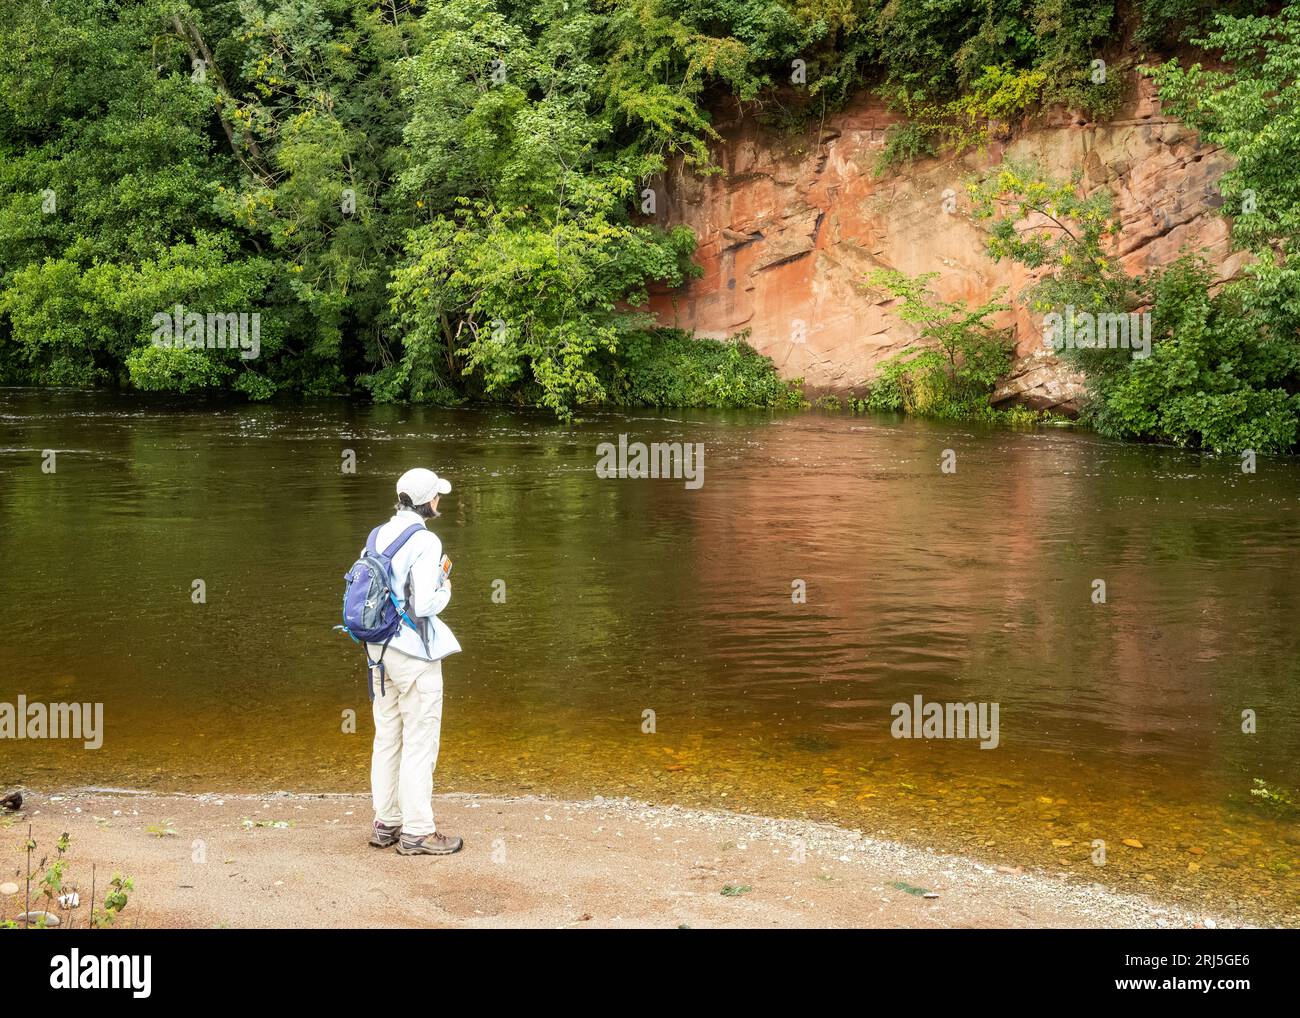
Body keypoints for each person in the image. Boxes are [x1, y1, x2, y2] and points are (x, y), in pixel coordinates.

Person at [365, 467, 463, 856]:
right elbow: (423, 604)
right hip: (412, 653)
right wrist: (446, 589)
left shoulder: (376, 534)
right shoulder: (426, 540)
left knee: (387, 737)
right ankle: (418, 831)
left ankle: (386, 823)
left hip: (376, 651)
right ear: (430, 502)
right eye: (438, 495)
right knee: (420, 741)